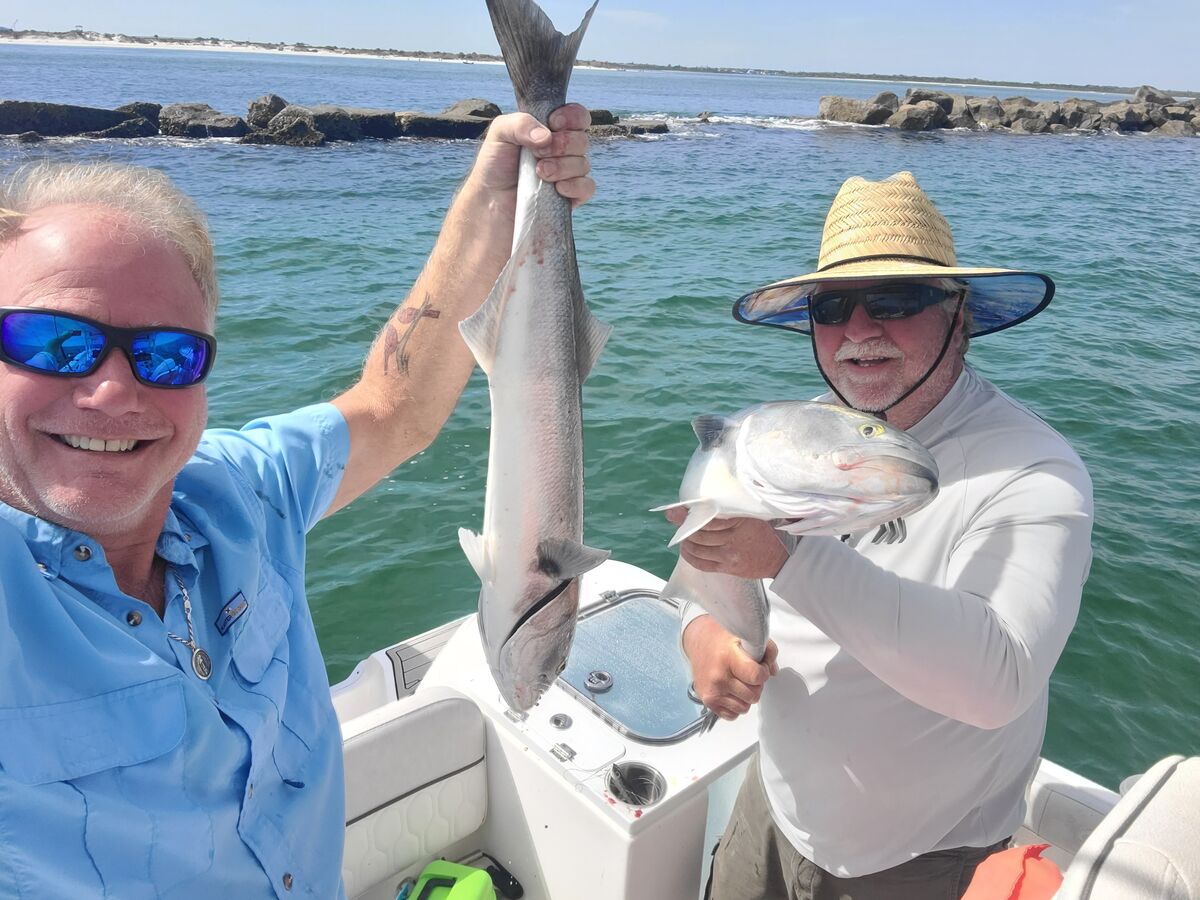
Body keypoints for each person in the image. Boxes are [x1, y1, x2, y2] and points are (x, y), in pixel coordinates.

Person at [0, 104, 593, 898]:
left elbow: (394, 407)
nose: (112, 390)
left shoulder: (236, 493)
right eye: (52, 342)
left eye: (168, 355)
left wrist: (499, 190)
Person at [676, 172, 1094, 900]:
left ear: (959, 315)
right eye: (832, 307)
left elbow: (999, 678)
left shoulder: (1034, 470)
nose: (860, 330)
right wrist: (701, 630)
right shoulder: (795, 435)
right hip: (773, 807)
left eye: (896, 301)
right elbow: (704, 555)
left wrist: (787, 555)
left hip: (918, 858)